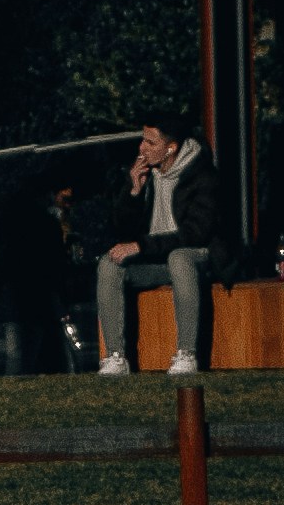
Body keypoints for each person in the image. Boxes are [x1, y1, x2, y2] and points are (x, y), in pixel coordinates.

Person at [93, 116, 219, 376]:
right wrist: (133, 193)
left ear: (171, 147)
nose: (142, 148)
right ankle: (115, 357)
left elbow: (195, 234)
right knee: (109, 262)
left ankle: (187, 354)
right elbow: (122, 232)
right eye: (142, 140)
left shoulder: (201, 176)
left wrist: (141, 245)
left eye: (150, 142)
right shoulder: (145, 175)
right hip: (157, 259)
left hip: (198, 257)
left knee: (179, 258)